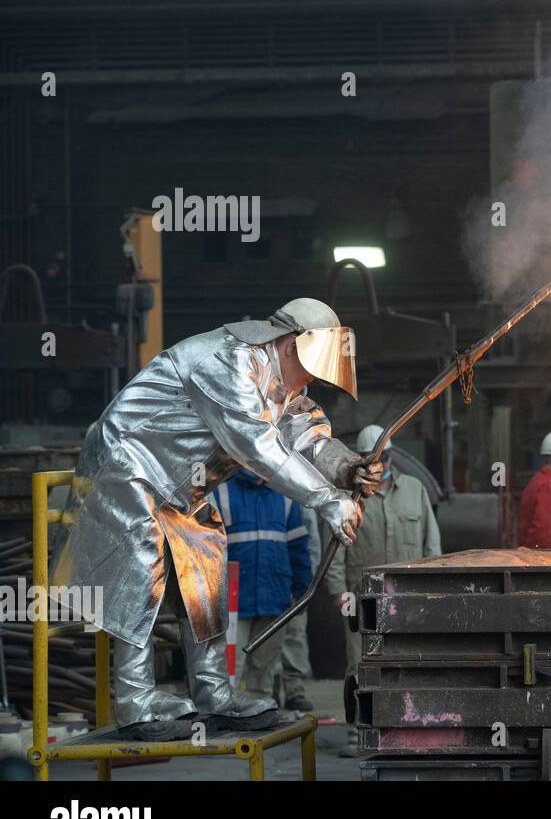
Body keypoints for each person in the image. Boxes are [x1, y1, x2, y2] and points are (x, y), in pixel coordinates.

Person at [53, 298, 383, 741]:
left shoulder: (280, 384)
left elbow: (304, 434)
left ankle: (213, 693)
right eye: (307, 372)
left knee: (205, 567)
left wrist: (348, 468)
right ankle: (136, 704)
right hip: (126, 464)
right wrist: (327, 501)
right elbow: (258, 444)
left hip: (180, 487)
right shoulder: (227, 362)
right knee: (140, 573)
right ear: (289, 346)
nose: (307, 386)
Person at [326, 424, 441, 755]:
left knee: (407, 663)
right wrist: (339, 592)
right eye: (371, 459)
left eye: (384, 456)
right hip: (361, 600)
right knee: (359, 666)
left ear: (392, 456)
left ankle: (403, 729)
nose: (379, 464)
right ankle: (355, 732)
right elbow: (335, 551)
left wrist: (433, 587)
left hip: (408, 596)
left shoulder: (415, 491)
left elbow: (431, 545)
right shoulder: (346, 496)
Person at [213, 470, 312, 704]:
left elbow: (298, 547)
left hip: (274, 599)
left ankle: (259, 717)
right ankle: (226, 719)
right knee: (229, 668)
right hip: (235, 602)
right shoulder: (222, 493)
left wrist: (302, 590)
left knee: (264, 669)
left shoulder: (286, 496)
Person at [278, 505, 320, 712]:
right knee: (266, 641)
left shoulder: (294, 496)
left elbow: (311, 539)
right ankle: (269, 692)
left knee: (294, 637)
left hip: (293, 579)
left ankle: (295, 691)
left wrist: (305, 583)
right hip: (269, 579)